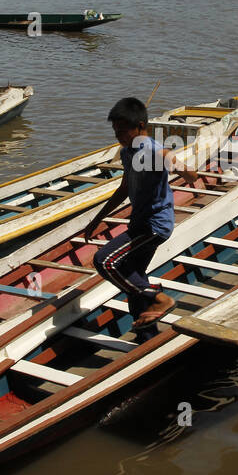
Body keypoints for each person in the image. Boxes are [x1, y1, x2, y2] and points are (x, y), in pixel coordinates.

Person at [83, 97, 176, 330]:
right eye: (116, 133)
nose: (120, 137)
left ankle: (159, 297)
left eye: (123, 131)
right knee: (133, 280)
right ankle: (146, 334)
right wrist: (97, 219)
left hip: (154, 225)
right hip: (139, 223)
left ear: (141, 127)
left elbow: (188, 173)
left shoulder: (153, 151)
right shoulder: (127, 153)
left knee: (104, 260)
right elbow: (124, 189)